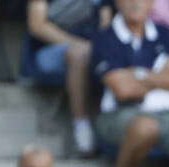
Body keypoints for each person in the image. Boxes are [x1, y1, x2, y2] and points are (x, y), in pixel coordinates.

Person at [92, 0, 169, 167]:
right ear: (117, 2)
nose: (136, 3)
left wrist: (137, 74)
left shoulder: (166, 33)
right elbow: (123, 90)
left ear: (152, 3)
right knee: (145, 127)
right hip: (120, 114)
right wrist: (162, 76)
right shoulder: (104, 38)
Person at [26, 0, 113, 156]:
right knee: (78, 54)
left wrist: (99, 49)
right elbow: (37, 26)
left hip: (92, 47)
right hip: (50, 49)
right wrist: (80, 45)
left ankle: (110, 131)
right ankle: (81, 127)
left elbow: (105, 25)